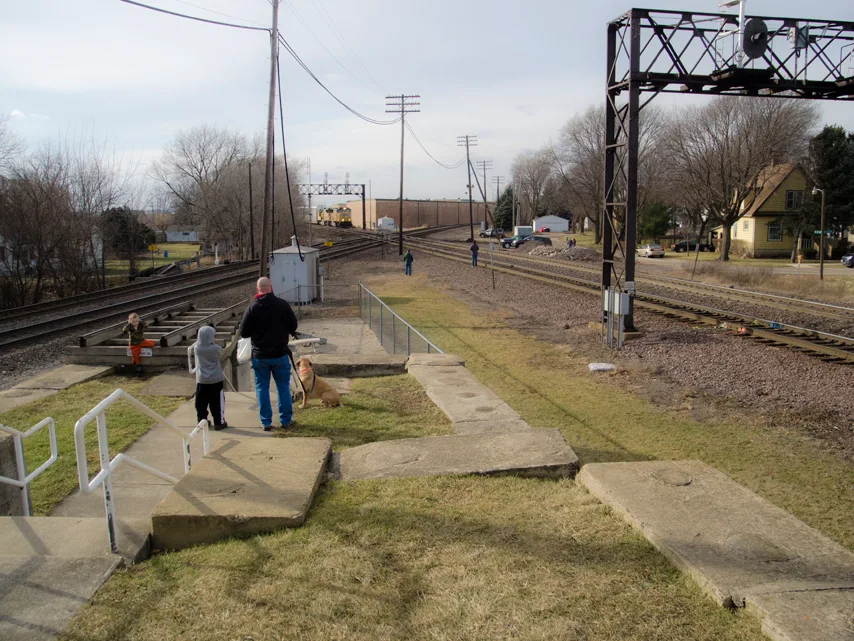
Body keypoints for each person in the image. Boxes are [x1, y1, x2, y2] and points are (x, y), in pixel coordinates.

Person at [239, 277, 299, 431]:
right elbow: (293, 325)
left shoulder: (252, 307)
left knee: (262, 388)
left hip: (260, 356)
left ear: (258, 289)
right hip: (280, 354)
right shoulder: (282, 305)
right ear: (271, 287)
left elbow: (244, 332)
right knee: (283, 388)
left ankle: (266, 422)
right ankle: (285, 420)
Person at [191, 326, 227, 430]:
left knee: (201, 403)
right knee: (217, 403)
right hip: (215, 379)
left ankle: (202, 421)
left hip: (202, 380)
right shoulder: (215, 348)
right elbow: (221, 353)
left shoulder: (197, 348)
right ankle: (219, 422)